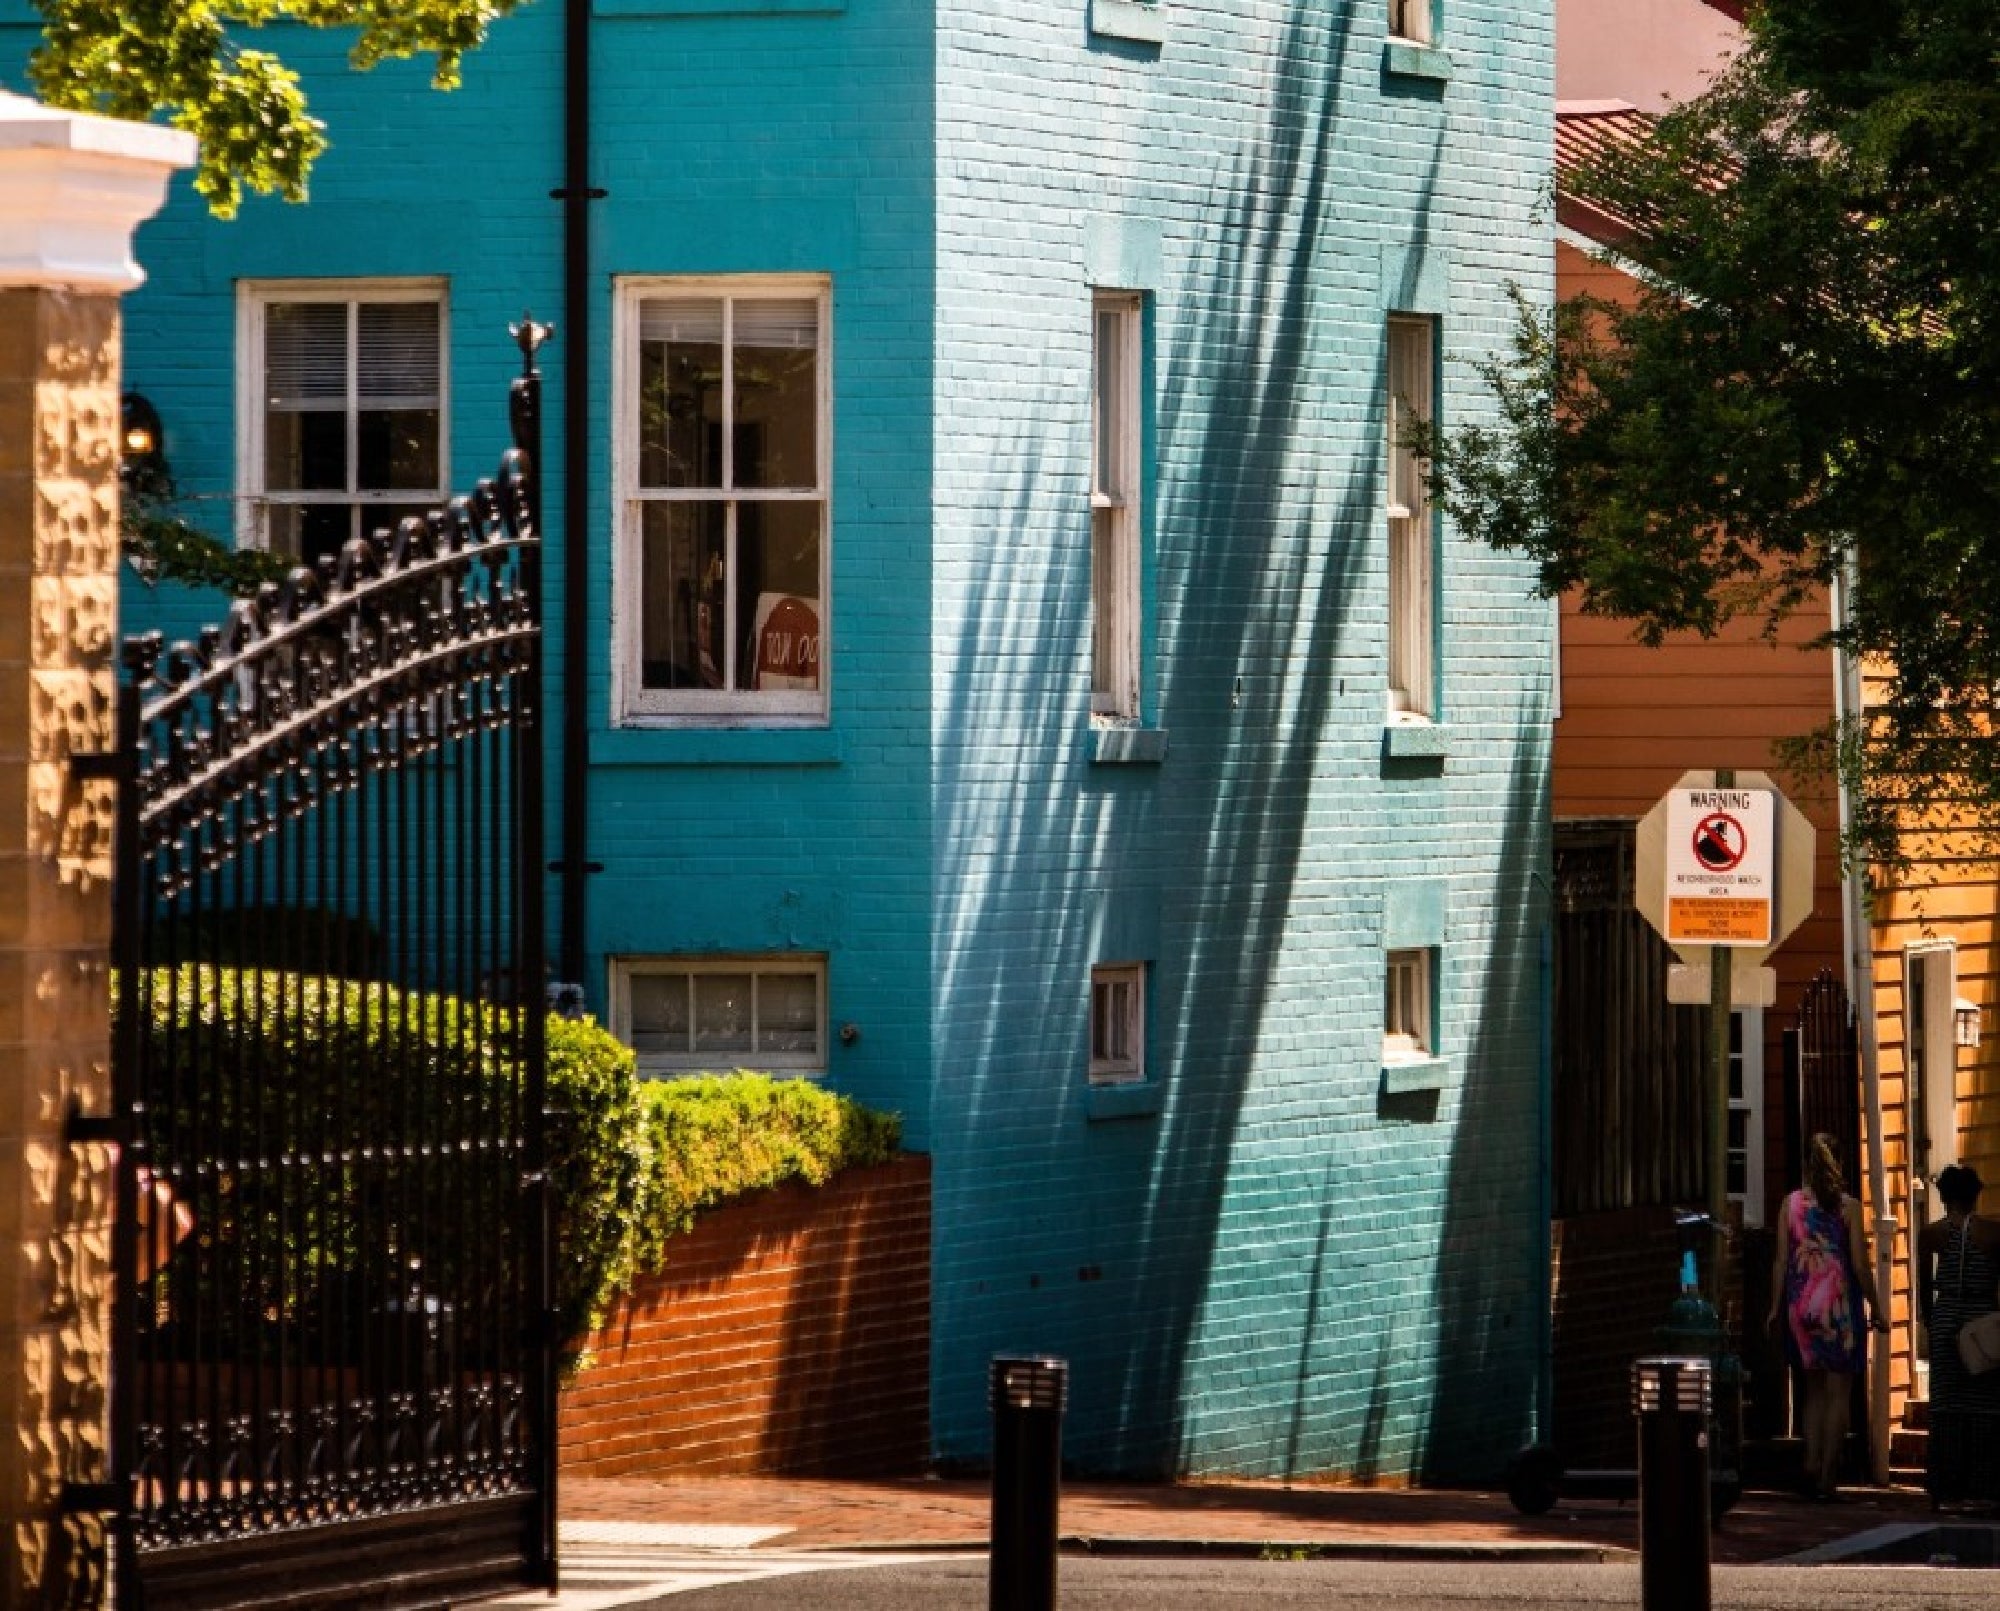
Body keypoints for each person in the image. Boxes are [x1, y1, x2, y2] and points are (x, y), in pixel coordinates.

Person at [1767, 1133, 1887, 1500]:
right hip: (1838, 1309)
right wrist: (1877, 1307)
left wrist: (1774, 1307)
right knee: (1839, 1394)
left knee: (1813, 1391)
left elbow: (1781, 1261)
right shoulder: (1847, 1208)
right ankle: (1827, 1478)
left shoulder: (1791, 1205)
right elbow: (1859, 1266)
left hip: (1800, 1306)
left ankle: (1811, 1460)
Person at [1918, 1164, 2000, 1510]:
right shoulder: (1993, 1234)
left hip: (1946, 1314)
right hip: (1981, 1318)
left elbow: (1924, 1287)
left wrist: (1931, 1320)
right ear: (1975, 1196)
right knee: (1985, 1404)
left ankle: (1944, 1485)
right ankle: (1983, 1485)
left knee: (1946, 1405)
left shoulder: (1932, 1234)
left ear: (1944, 1197)